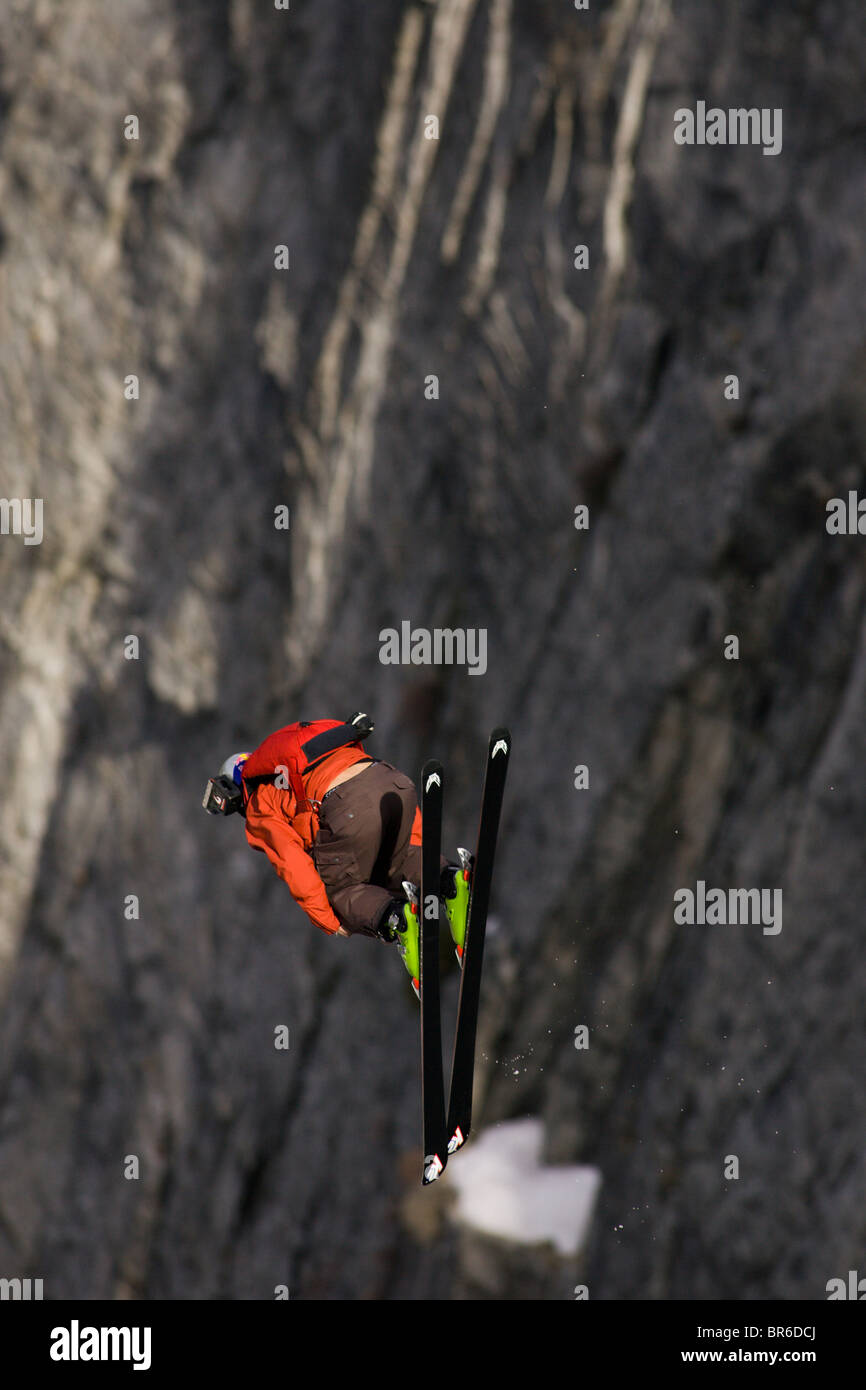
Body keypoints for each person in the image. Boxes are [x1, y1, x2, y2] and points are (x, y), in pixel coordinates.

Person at [202, 715, 470, 995]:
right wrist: (423, 863)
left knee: (341, 891)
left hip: (346, 804)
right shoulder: (300, 757)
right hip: (393, 782)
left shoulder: (259, 800)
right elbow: (408, 839)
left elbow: (292, 863)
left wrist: (330, 920)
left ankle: (397, 919)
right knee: (396, 860)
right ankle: (451, 881)